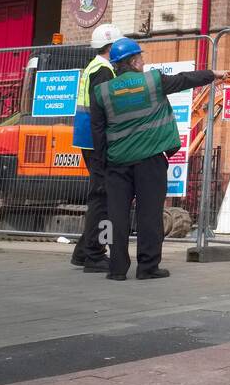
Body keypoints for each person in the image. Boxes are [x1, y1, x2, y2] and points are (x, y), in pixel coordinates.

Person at [90, 37, 221, 280]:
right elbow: (184, 80)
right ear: (135, 61)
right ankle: (148, 267)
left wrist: (102, 165)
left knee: (116, 215)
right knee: (149, 214)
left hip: (117, 162)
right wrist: (212, 74)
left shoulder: (102, 92)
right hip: (150, 160)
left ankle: (117, 269)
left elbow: (97, 132)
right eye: (141, 57)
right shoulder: (153, 81)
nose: (143, 60)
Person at [69, 22, 122, 272]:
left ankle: (83, 252)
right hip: (97, 141)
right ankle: (95, 254)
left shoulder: (94, 66)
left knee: (101, 196)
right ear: (111, 46)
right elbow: (104, 110)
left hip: (89, 139)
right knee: (103, 197)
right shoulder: (104, 71)